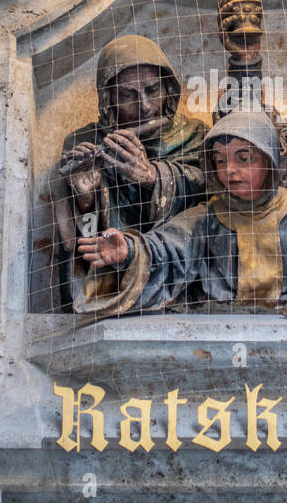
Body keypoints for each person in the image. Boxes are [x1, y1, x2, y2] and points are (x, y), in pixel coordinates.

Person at [72, 111, 287, 318]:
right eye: (220, 160)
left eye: (244, 157)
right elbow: (166, 251)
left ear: (271, 161)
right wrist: (129, 250)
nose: (230, 171)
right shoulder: (204, 220)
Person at [54, 35, 209, 307]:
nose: (146, 106)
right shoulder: (85, 141)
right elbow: (78, 241)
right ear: (108, 99)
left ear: (168, 88)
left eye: (152, 90)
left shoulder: (195, 136)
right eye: (128, 95)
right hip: (111, 281)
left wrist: (153, 177)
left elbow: (212, 202)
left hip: (180, 280)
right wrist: (85, 199)